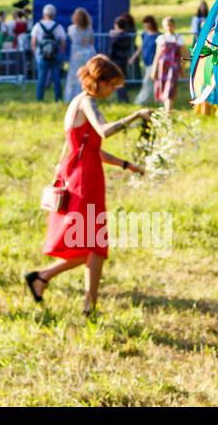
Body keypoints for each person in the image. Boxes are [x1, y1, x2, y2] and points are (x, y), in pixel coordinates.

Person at [25, 56, 149, 314]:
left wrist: (126, 165)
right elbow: (104, 131)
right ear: (99, 81)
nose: (114, 91)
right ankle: (48, 280)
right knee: (93, 245)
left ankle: (82, 301)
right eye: (112, 85)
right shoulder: (86, 102)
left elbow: (92, 150)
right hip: (83, 180)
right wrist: (135, 116)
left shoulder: (79, 102)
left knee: (94, 244)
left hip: (85, 174)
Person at [32, 4, 67, 103]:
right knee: (56, 78)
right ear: (54, 14)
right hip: (55, 56)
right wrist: (60, 54)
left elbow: (33, 42)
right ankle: (58, 98)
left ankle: (40, 99)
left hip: (42, 56)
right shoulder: (58, 26)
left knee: (41, 78)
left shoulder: (38, 26)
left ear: (44, 14)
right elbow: (63, 42)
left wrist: (36, 54)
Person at [151, 16, 184, 113]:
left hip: (173, 67)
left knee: (171, 88)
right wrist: (154, 68)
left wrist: (183, 67)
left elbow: (184, 53)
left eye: (170, 25)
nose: (169, 27)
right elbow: (157, 55)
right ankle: (165, 110)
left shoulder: (178, 38)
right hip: (163, 67)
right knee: (162, 86)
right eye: (166, 26)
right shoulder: (161, 38)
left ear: (174, 26)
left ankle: (167, 112)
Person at [62, 7, 96, 100]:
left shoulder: (71, 29)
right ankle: (86, 94)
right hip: (88, 54)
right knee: (86, 75)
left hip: (76, 55)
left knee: (74, 77)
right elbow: (92, 42)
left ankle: (71, 96)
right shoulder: (89, 29)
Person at [106, 13, 136, 102]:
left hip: (116, 61)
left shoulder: (116, 37)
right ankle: (123, 98)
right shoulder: (127, 35)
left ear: (117, 25)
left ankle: (122, 98)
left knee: (117, 80)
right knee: (121, 79)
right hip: (123, 60)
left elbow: (112, 49)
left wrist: (109, 59)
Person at [132, 16, 160, 104]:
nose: (145, 26)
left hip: (154, 63)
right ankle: (154, 99)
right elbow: (141, 46)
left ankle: (140, 101)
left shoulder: (158, 36)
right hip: (145, 62)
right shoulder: (144, 34)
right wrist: (133, 57)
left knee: (146, 82)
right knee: (151, 82)